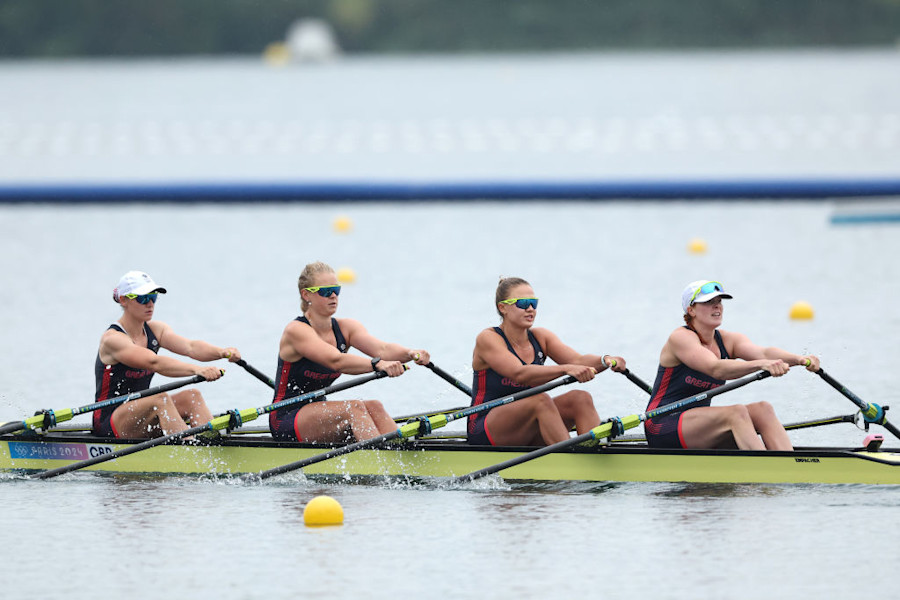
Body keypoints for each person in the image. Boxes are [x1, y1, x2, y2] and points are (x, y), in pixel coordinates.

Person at [644, 280, 820, 451]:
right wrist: (762, 365)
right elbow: (716, 368)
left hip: (698, 427)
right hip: (661, 425)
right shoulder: (681, 338)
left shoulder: (728, 340)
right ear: (691, 310)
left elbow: (764, 353)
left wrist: (799, 359)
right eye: (708, 302)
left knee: (763, 410)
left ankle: (790, 467)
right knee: (736, 413)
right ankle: (766, 474)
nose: (717, 306)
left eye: (719, 301)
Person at [269, 261, 431, 443]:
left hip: (320, 411)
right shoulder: (296, 331)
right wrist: (377, 364)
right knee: (353, 408)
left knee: (375, 406)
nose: (333, 296)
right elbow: (336, 360)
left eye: (336, 290)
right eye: (324, 291)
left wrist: (410, 353)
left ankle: (402, 457)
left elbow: (382, 349)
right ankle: (380, 466)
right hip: (287, 417)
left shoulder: (346, 328)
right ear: (306, 295)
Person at [468, 277, 627, 446]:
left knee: (580, 398)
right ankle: (572, 463)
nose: (530, 309)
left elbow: (577, 360)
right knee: (541, 400)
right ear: (503, 308)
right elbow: (519, 373)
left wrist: (605, 360)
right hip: (485, 428)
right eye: (522, 303)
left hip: (527, 424)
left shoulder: (541, 337)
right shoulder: (488, 338)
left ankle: (595, 452)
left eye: (533, 303)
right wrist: (566, 369)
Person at [94, 270, 241, 438]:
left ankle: (212, 447)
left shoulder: (156, 330)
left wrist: (221, 352)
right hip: (110, 421)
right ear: (123, 300)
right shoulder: (113, 339)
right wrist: (197, 370)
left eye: (153, 297)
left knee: (192, 396)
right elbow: (154, 363)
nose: (150, 304)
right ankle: (190, 453)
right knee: (160, 399)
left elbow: (190, 347)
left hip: (142, 414)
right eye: (142, 298)